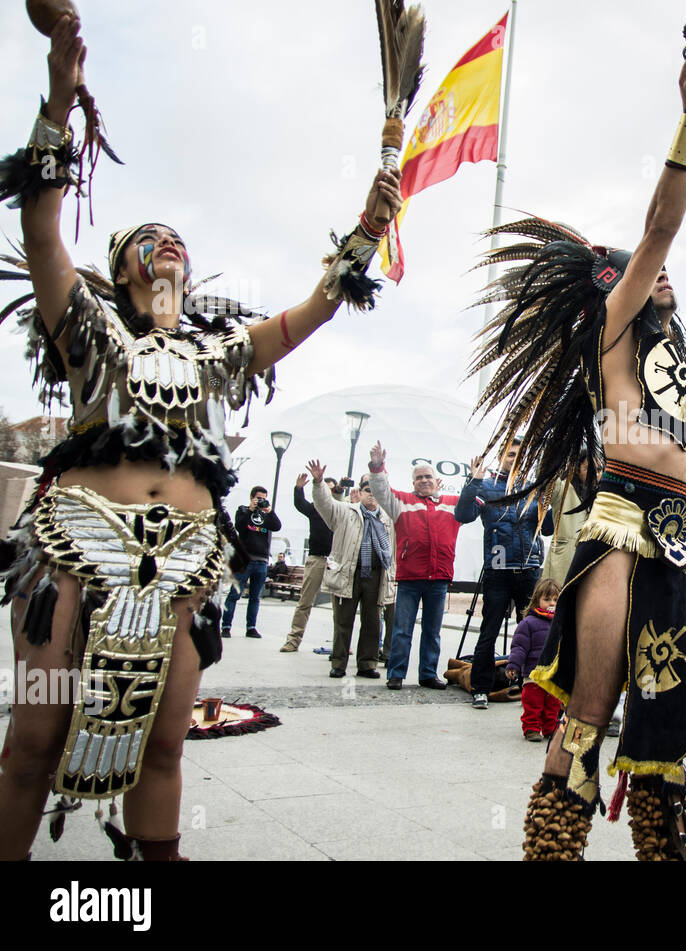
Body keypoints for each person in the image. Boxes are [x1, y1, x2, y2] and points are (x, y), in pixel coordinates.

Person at [0, 15, 401, 860]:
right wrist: (60, 98)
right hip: (76, 553)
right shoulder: (90, 332)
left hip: (181, 562)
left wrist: (367, 227)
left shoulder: (221, 353)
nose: (169, 244)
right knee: (33, 741)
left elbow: (315, 309)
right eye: (149, 238)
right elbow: (42, 232)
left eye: (178, 238)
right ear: (120, 271)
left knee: (164, 744)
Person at [470, 57, 686, 860]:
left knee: (661, 714)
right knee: (590, 706)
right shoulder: (614, 324)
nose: (662, 274)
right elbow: (661, 227)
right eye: (646, 272)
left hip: (681, 529)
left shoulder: (676, 350)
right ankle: (552, 847)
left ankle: (661, 846)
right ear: (618, 284)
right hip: (621, 524)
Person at [367, 442, 471, 691]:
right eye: (418, 478)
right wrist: (377, 467)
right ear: (413, 483)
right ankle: (396, 673)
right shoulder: (401, 503)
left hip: (439, 578)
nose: (423, 481)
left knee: (432, 631)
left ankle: (427, 674)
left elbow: (474, 503)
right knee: (402, 629)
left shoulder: (452, 502)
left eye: (428, 477)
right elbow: (380, 490)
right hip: (410, 578)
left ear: (437, 480)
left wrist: (476, 478)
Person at [455, 440, 548, 710]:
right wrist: (472, 483)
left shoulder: (534, 487)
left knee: (535, 631)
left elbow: (549, 528)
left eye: (519, 454)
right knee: (489, 630)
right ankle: (480, 688)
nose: (513, 459)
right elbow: (463, 515)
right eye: (509, 454)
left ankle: (531, 685)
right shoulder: (486, 486)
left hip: (529, 568)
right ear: (501, 457)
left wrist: (549, 498)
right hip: (498, 570)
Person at [306, 461, 394, 679]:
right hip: (350, 573)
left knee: (372, 622)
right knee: (343, 622)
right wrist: (318, 483)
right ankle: (339, 663)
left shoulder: (387, 517)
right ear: (360, 492)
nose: (371, 495)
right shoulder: (346, 512)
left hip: (376, 575)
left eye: (375, 491)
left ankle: (367, 663)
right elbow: (324, 504)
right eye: (367, 490)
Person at [279, 473, 338, 652]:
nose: (327, 492)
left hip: (336, 561)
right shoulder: (315, 509)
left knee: (340, 606)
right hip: (317, 558)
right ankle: (293, 640)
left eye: (331, 489)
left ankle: (340, 643)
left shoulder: (340, 509)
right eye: (324, 489)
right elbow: (300, 504)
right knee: (305, 602)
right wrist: (298, 489)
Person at [505, 578, 563, 742]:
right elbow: (519, 647)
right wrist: (514, 665)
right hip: (533, 673)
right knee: (533, 703)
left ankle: (550, 728)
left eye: (555, 599)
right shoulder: (528, 623)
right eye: (547, 599)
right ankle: (531, 728)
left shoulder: (562, 624)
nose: (551, 603)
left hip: (554, 674)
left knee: (553, 705)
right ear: (537, 600)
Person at [221, 485, 283, 639]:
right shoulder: (243, 510)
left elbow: (277, 526)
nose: (261, 501)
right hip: (245, 559)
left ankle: (251, 627)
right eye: (259, 498)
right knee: (235, 594)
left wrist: (269, 510)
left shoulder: (267, 515)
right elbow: (240, 526)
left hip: (261, 560)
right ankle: (226, 626)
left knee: (255, 597)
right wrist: (250, 509)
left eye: (264, 498)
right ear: (252, 498)